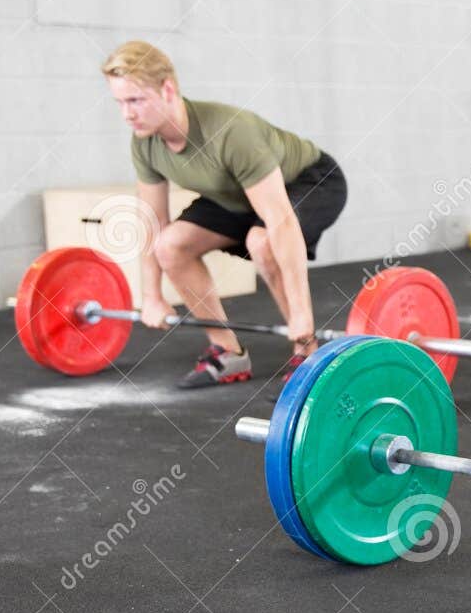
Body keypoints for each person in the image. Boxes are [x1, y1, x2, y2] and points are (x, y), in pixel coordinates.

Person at [100, 41, 347, 388]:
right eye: (120, 102)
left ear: (167, 89)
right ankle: (228, 353)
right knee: (171, 246)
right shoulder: (145, 143)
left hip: (310, 181)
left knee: (261, 241)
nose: (127, 114)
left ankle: (307, 354)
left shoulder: (230, 132)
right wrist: (152, 295)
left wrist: (302, 314)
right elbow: (154, 223)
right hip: (236, 196)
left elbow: (280, 219)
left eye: (136, 100)